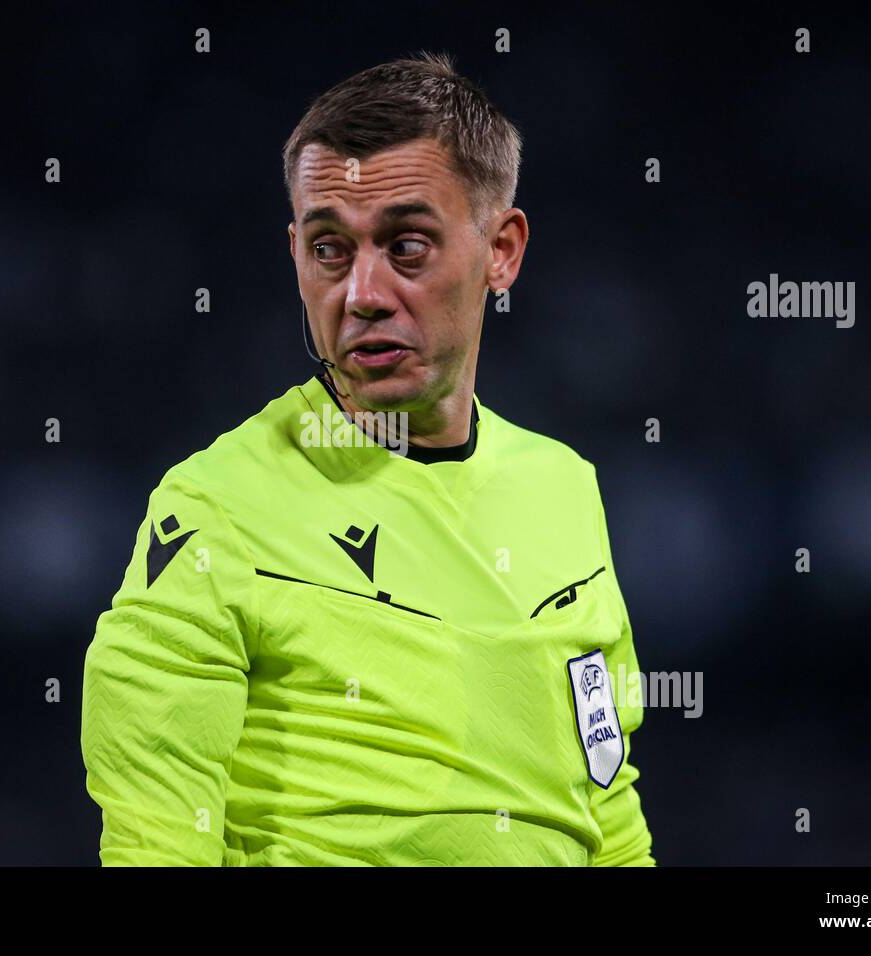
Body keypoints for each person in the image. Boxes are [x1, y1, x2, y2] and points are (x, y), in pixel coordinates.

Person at [80, 51, 655, 866]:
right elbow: (155, 835)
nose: (363, 293)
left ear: (502, 250)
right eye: (329, 249)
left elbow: (608, 809)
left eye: (407, 246)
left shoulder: (564, 489)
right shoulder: (214, 510)